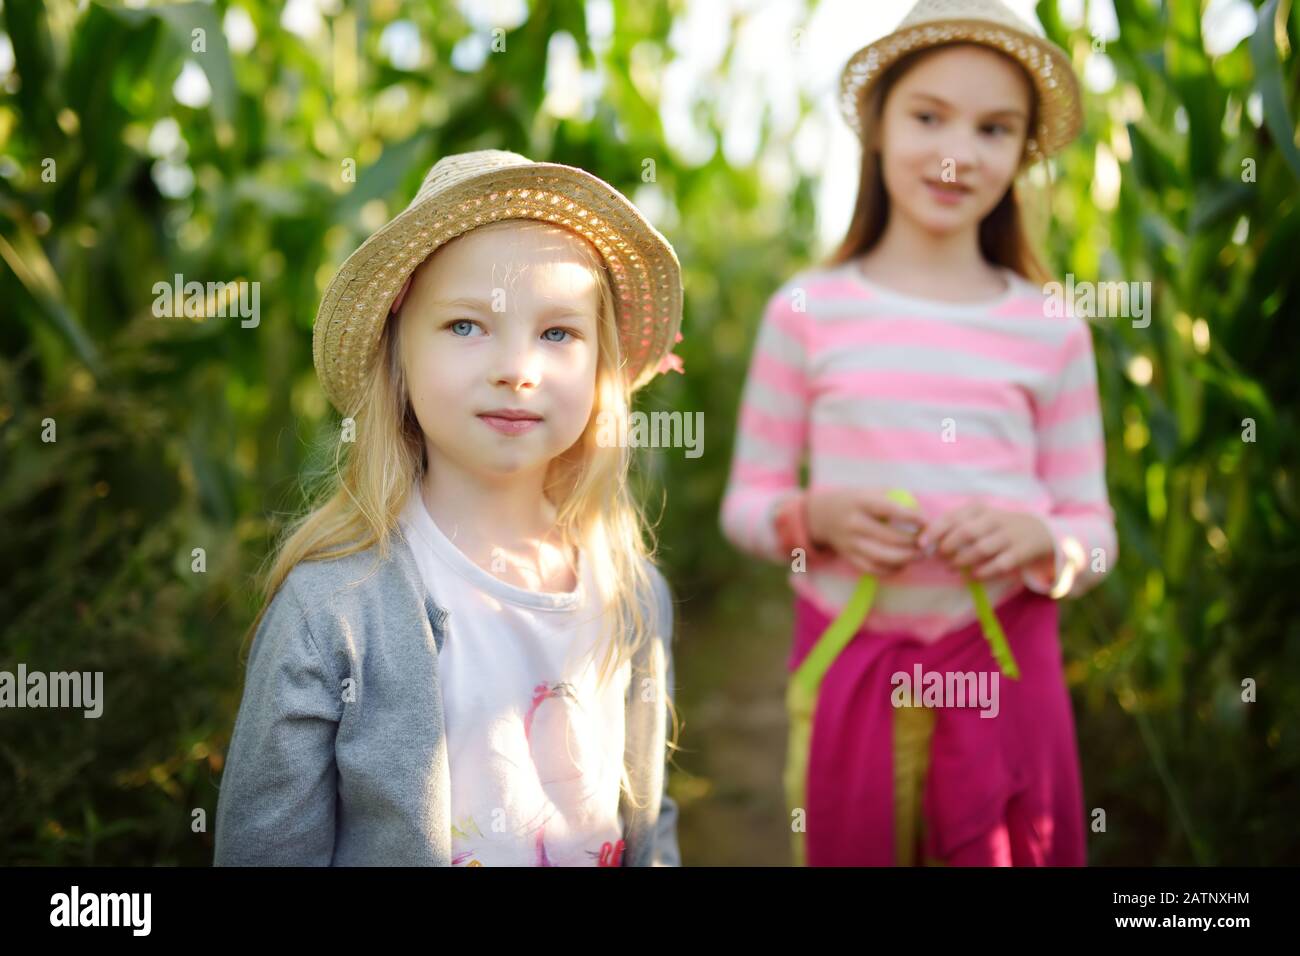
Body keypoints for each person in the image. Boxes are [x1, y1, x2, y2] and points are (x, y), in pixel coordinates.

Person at [720, 0, 1115, 866]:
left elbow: (1096, 534)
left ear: (1022, 153)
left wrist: (1041, 538)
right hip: (848, 666)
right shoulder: (808, 313)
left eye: (993, 128)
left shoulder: (1054, 330)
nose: (955, 152)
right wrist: (812, 520)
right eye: (928, 116)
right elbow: (747, 504)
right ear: (877, 126)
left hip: (1004, 672)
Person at [215, 150, 684, 866]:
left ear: (600, 369)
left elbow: (647, 820)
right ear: (398, 360)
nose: (516, 368)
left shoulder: (631, 595)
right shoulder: (333, 612)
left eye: (558, 333)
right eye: (466, 325)